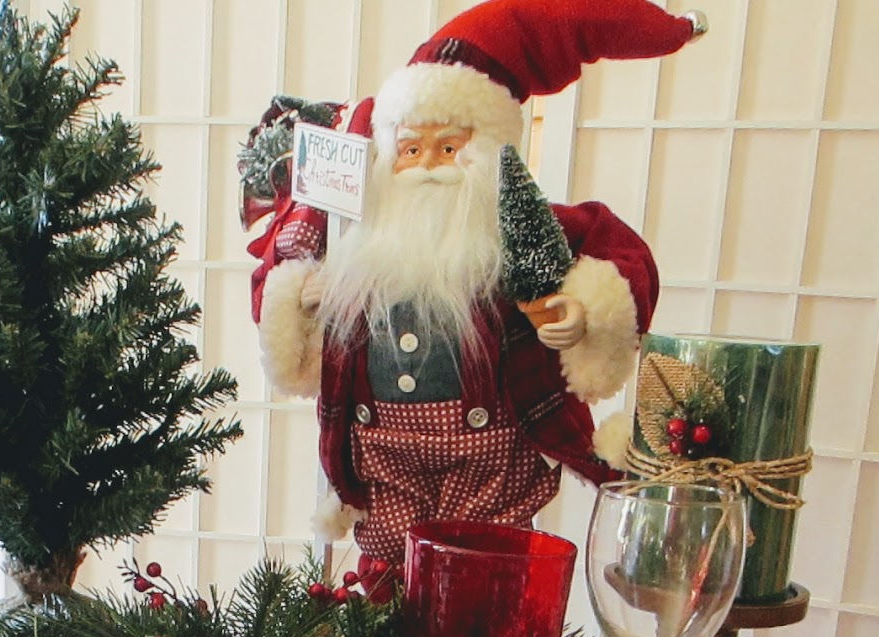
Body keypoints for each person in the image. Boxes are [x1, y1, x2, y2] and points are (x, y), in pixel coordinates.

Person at [248, 0, 707, 572]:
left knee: (482, 571)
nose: (431, 166)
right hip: (383, 454)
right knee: (387, 571)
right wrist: (305, 300)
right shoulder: (356, 245)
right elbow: (277, 281)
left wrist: (586, 308)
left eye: (451, 148)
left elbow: (619, 251)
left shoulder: (518, 236)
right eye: (412, 150)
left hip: (491, 456)